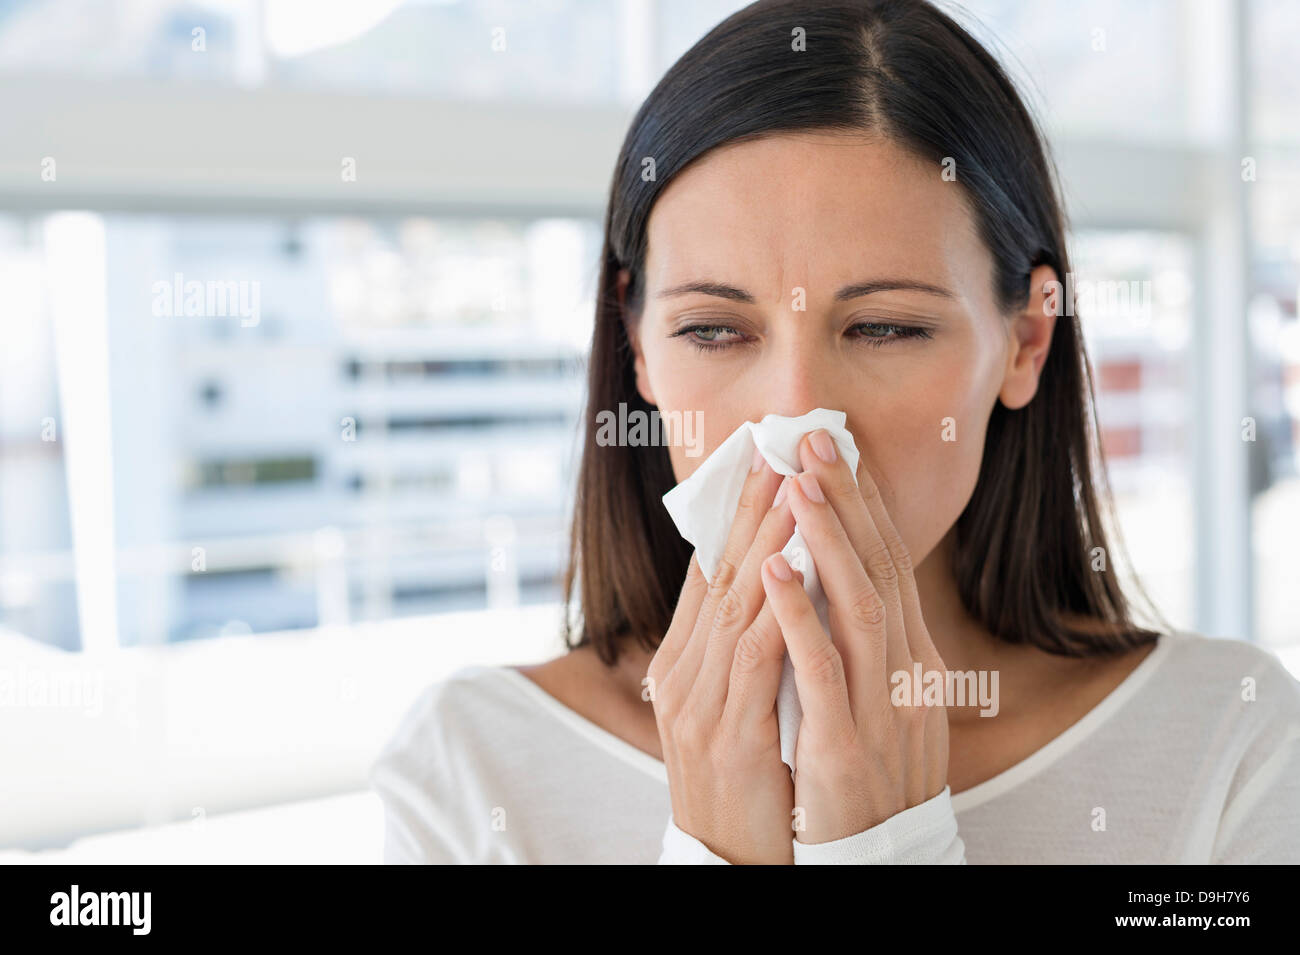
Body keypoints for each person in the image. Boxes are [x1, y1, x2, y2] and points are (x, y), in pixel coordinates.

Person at [369, 0, 1300, 864]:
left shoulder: (1228, 747)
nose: (795, 415)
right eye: (715, 331)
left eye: (885, 328)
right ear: (638, 347)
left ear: (1024, 340)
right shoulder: (472, 771)